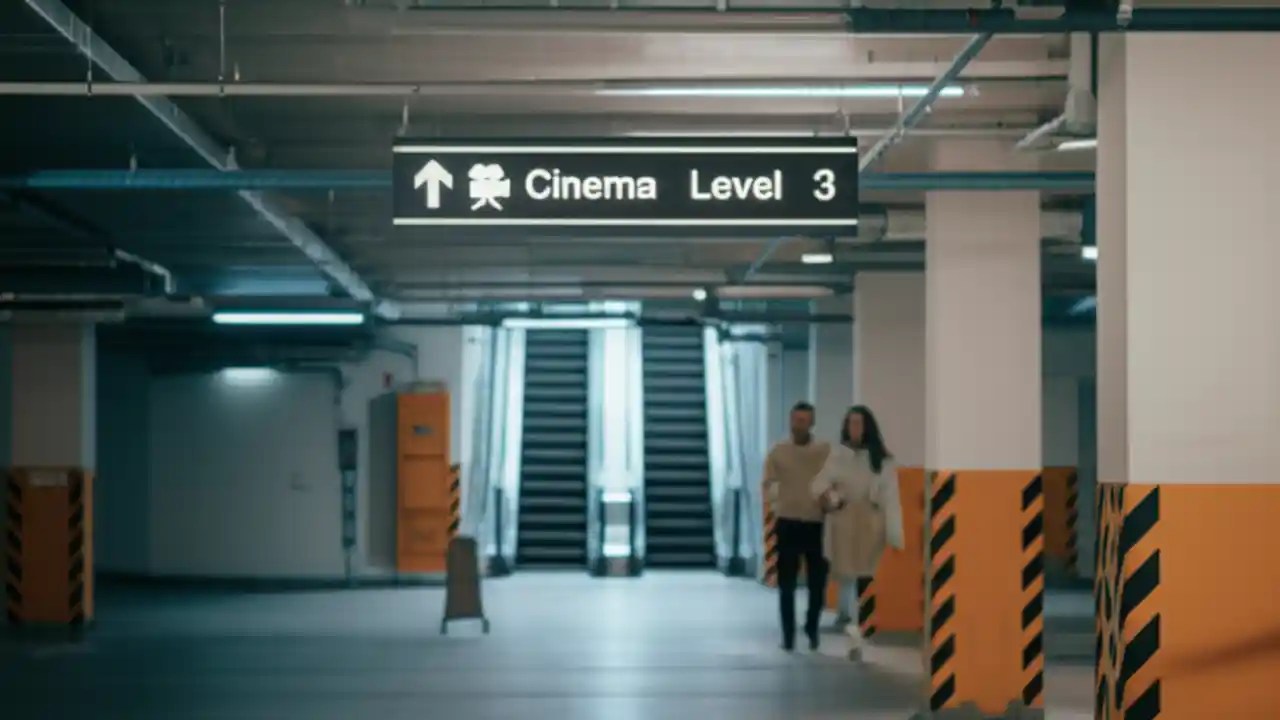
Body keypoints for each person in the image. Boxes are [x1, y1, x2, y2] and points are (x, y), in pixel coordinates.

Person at [811, 405, 905, 659]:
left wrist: (895, 533)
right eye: (851, 423)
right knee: (846, 578)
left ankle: (861, 630)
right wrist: (832, 499)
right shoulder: (837, 455)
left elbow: (890, 497)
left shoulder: (881, 460)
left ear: (868, 427)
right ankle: (852, 631)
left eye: (859, 423)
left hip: (869, 525)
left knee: (866, 577)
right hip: (843, 523)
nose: (855, 428)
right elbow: (818, 485)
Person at [761, 401, 832, 652]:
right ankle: (788, 635)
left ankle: (812, 626)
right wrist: (778, 500)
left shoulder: (824, 451)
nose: (799, 425)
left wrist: (830, 500)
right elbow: (768, 482)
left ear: (812, 423)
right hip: (788, 522)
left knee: (817, 582)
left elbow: (835, 481)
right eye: (796, 420)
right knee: (787, 584)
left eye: (804, 420)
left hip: (816, 523)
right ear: (790, 421)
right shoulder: (778, 452)